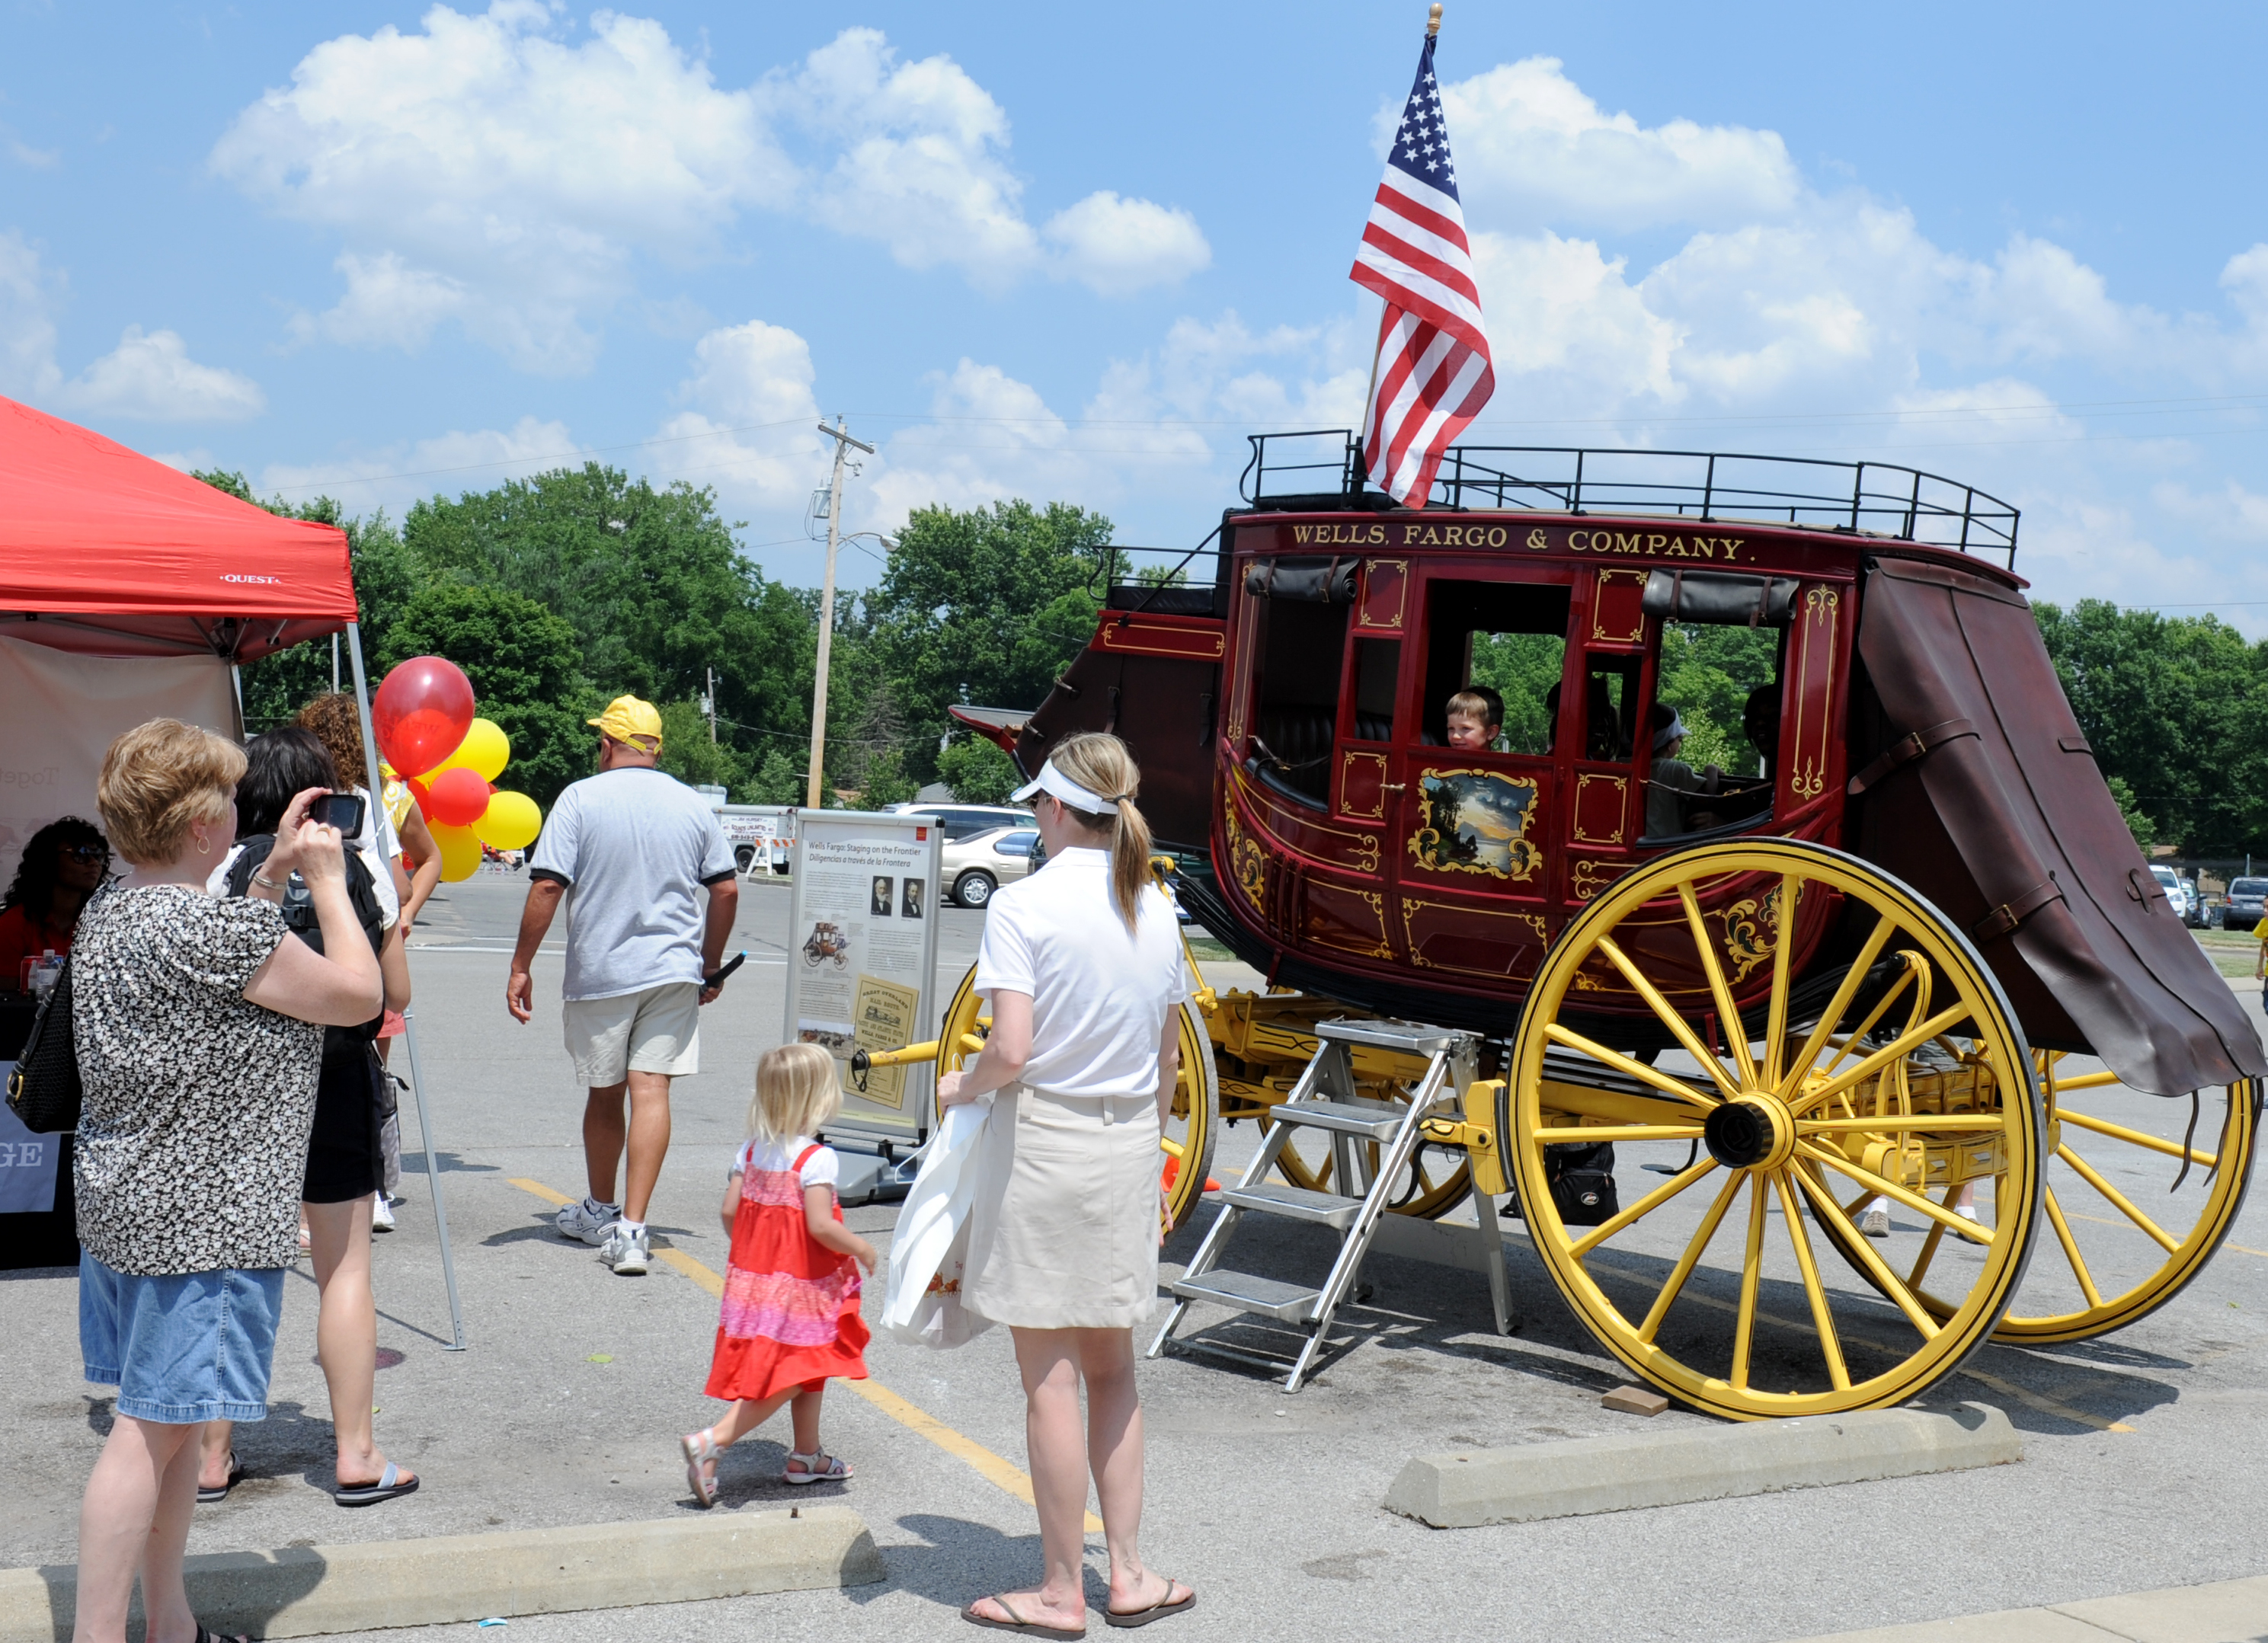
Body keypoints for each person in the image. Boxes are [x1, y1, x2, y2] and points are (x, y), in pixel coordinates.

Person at [70, 719, 383, 1643]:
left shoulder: (113, 908)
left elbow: (229, 948)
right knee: (146, 1437)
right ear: (203, 822)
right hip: (203, 1222)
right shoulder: (205, 929)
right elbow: (360, 995)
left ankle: (169, 1621)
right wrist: (330, 882)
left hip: (128, 1202)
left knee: (169, 1426)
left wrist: (274, 871)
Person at [936, 731, 1198, 1635]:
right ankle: (1127, 1572)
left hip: (1046, 1143)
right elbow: (1167, 1063)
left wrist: (961, 1087)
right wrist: (1154, 1165)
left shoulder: (1024, 904)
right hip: (1127, 1145)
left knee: (1048, 1379)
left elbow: (1009, 1049)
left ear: (1053, 807)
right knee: (1113, 1371)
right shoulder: (1154, 905)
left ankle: (1059, 1590)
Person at [199, 728, 416, 1509]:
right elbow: (396, 993)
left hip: (240, 1087)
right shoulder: (356, 865)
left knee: (225, 1265)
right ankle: (355, 1453)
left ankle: (210, 1457)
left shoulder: (226, 868)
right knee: (345, 1270)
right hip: (337, 1078)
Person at [509, 695, 740, 1276]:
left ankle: (600, 1210)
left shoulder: (580, 797)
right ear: (656, 746)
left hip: (604, 970)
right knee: (652, 1089)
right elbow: (725, 888)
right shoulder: (691, 803)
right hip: (673, 969)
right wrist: (709, 963)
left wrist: (521, 964)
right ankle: (634, 1232)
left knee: (606, 1091)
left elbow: (547, 886)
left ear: (608, 743)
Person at [680, 1043, 875, 1507]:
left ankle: (807, 1456)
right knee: (800, 1368)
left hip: (755, 1283)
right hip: (801, 1287)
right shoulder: (816, 1158)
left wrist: (756, 1255)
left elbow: (730, 1212)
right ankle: (715, 1440)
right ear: (819, 1098)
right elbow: (821, 1226)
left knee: (807, 1364)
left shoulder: (750, 1151)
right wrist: (862, 1247)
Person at [297, 692, 443, 1234]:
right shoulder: (382, 795)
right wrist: (401, 912)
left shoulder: (367, 798)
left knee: (319, 1070)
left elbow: (423, 864)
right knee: (368, 1071)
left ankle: (349, 1188)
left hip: (325, 939)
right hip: (369, 943)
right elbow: (425, 863)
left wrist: (402, 912)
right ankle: (370, 1185)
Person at [0, 816, 109, 989]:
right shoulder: (14, 924)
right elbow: (6, 998)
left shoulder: (103, 922)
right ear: (48, 860)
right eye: (80, 854)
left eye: (98, 856)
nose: (94, 863)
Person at [1645, 706, 1725, 839]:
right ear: (1670, 743)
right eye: (1680, 739)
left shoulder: (1623, 763)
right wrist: (1711, 770)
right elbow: (1706, 799)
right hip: (1664, 842)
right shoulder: (1677, 770)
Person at [1444, 686, 1506, 754]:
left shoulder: (1499, 761)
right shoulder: (1442, 760)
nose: (1455, 736)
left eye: (1465, 728)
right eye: (1451, 728)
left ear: (1490, 732)